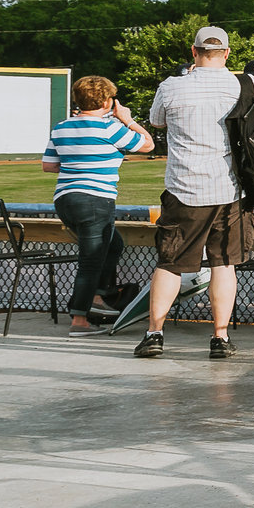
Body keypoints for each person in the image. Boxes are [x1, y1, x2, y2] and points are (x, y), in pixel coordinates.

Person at [137, 25, 254, 361]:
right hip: (229, 188)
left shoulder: (172, 86)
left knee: (170, 262)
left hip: (184, 187)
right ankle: (219, 337)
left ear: (194, 52)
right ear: (228, 54)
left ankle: (154, 333)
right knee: (224, 264)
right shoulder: (246, 85)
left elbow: (157, 121)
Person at [43, 76, 154, 334]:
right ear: (107, 101)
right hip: (95, 200)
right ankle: (79, 320)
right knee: (90, 262)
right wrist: (128, 119)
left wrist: (78, 165)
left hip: (65, 200)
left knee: (114, 245)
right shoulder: (111, 128)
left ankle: (98, 296)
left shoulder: (61, 127)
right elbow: (148, 145)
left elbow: (48, 165)